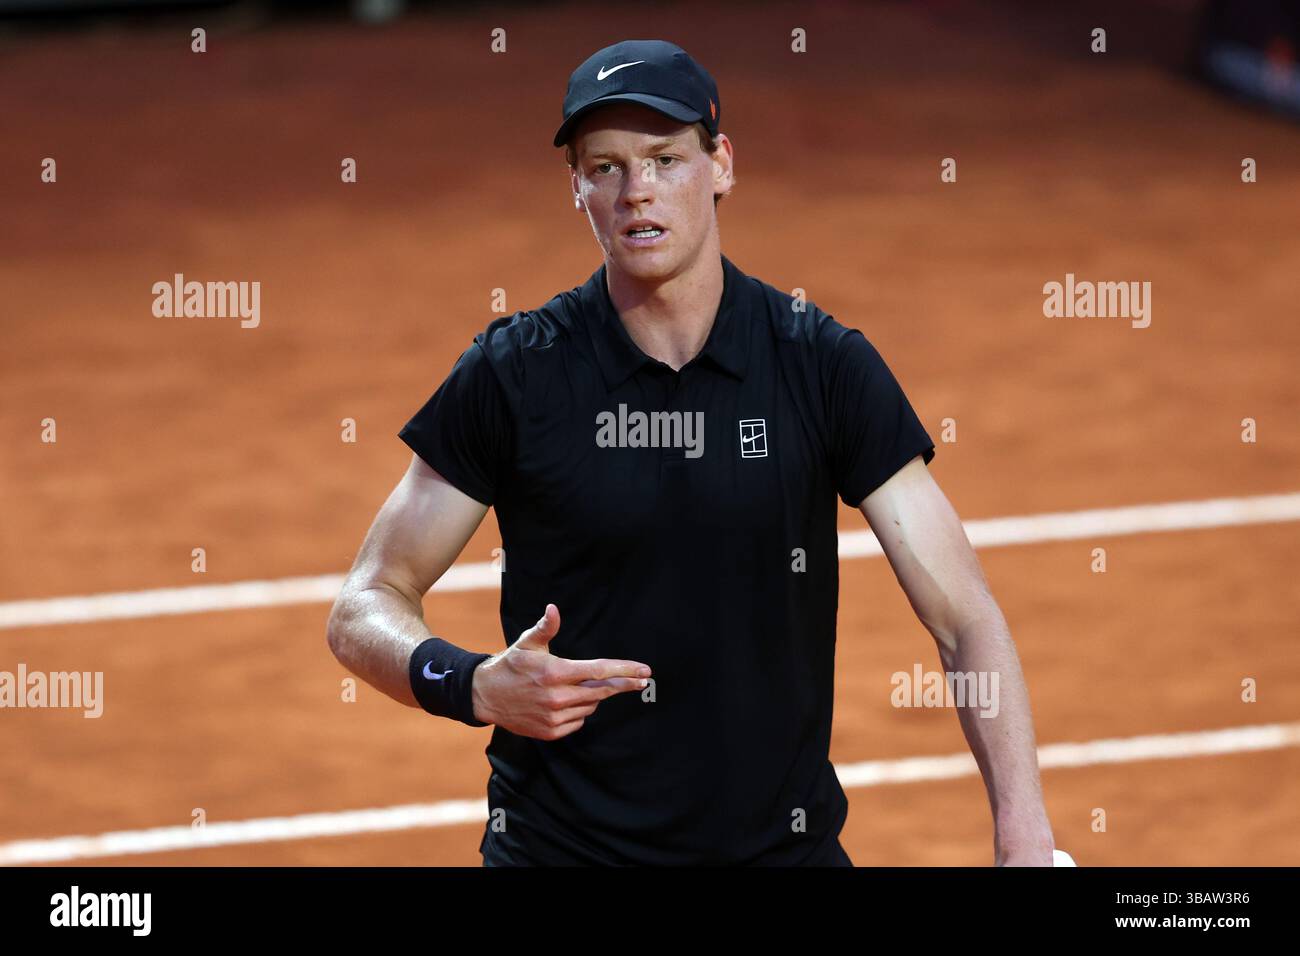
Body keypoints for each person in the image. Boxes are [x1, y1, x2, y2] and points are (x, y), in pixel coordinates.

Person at [326, 39, 1057, 866]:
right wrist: (469, 683)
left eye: (665, 159)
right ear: (577, 187)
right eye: (604, 167)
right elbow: (364, 605)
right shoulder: (514, 376)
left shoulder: (819, 365)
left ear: (722, 165)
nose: (636, 192)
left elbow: (963, 620)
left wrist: (1025, 839)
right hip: (563, 854)